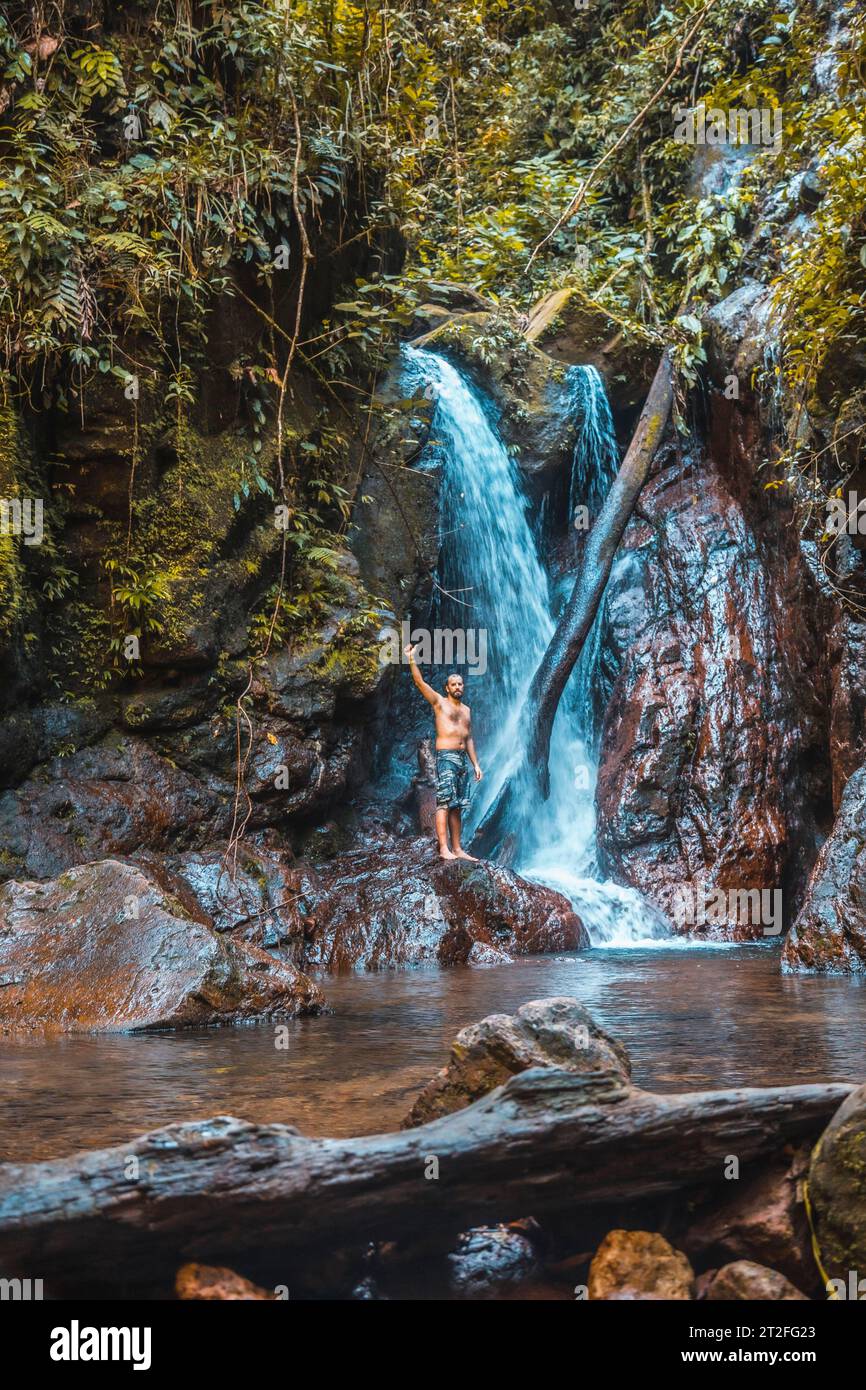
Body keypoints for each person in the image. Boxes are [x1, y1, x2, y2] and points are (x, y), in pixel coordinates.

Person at [405, 643, 483, 860]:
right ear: (447, 688)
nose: (458, 686)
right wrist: (412, 658)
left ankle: (458, 849)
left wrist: (475, 764)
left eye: (460, 684)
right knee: (444, 802)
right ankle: (443, 848)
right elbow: (420, 682)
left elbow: (468, 739)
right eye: (453, 684)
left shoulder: (467, 710)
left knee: (457, 805)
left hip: (461, 760)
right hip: (446, 757)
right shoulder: (439, 703)